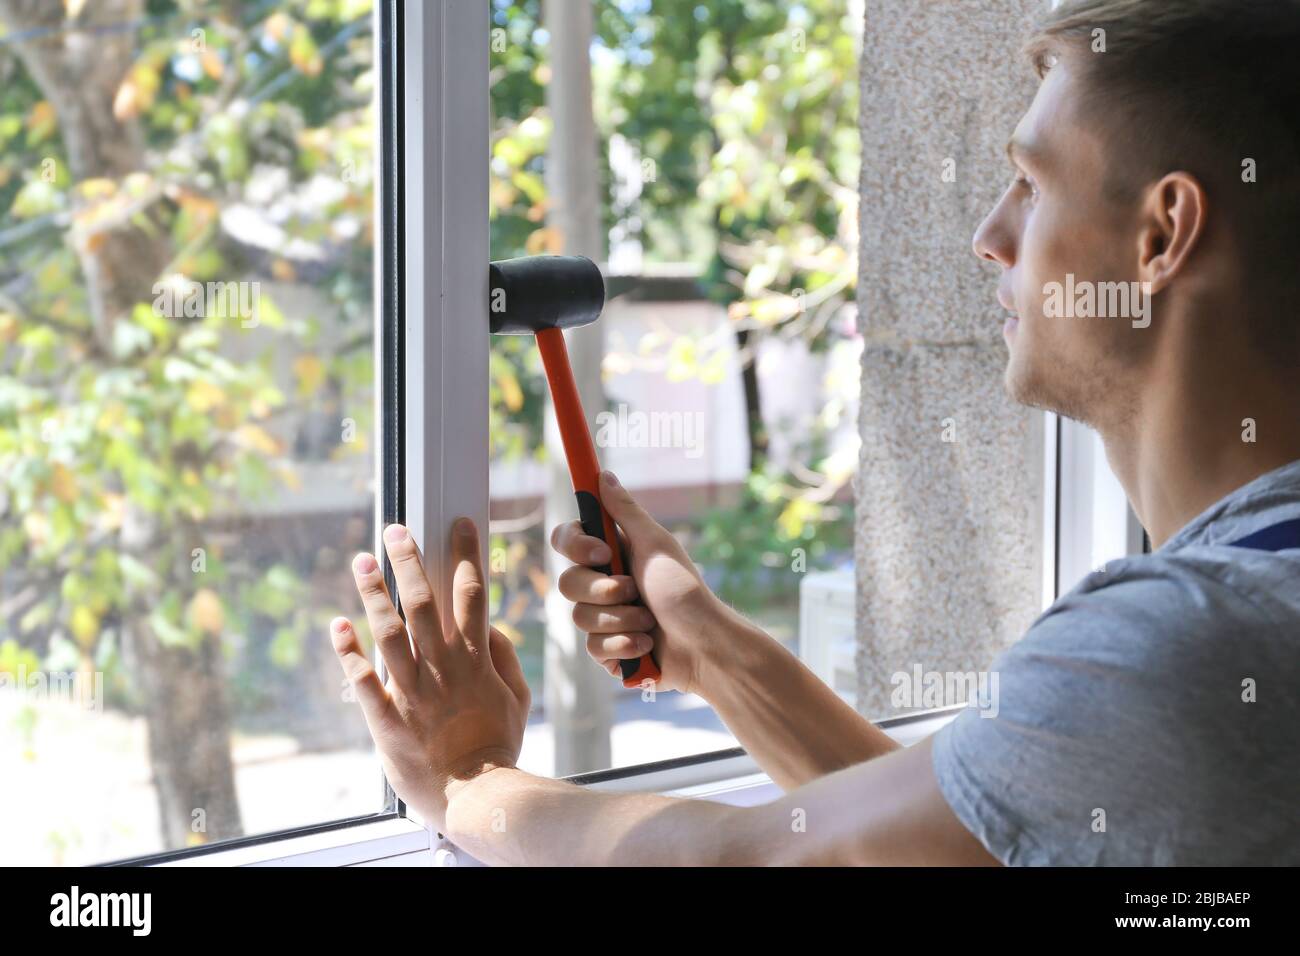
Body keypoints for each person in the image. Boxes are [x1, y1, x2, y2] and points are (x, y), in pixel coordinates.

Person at [328, 0, 1300, 865]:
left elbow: (749, 861)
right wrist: (708, 647)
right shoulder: (1245, 603)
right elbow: (957, 840)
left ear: (1162, 233)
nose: (989, 236)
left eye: (1032, 184)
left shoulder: (1186, 643)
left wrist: (466, 778)